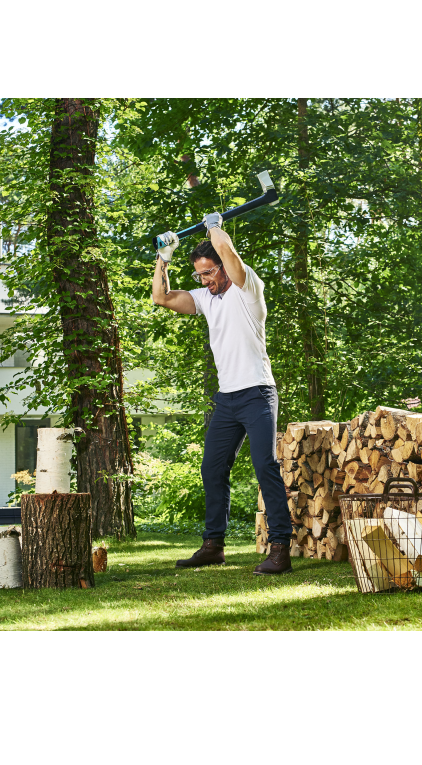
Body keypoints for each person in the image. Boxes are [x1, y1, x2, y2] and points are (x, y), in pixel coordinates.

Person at [152, 212, 293, 575]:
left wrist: (214, 225)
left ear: (224, 269)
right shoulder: (205, 297)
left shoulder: (248, 287)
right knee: (212, 469)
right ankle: (213, 546)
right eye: (199, 274)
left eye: (209, 272)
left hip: (258, 393)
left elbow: (227, 252)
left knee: (265, 467)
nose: (204, 280)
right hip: (227, 399)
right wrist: (163, 258)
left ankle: (280, 549)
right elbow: (161, 298)